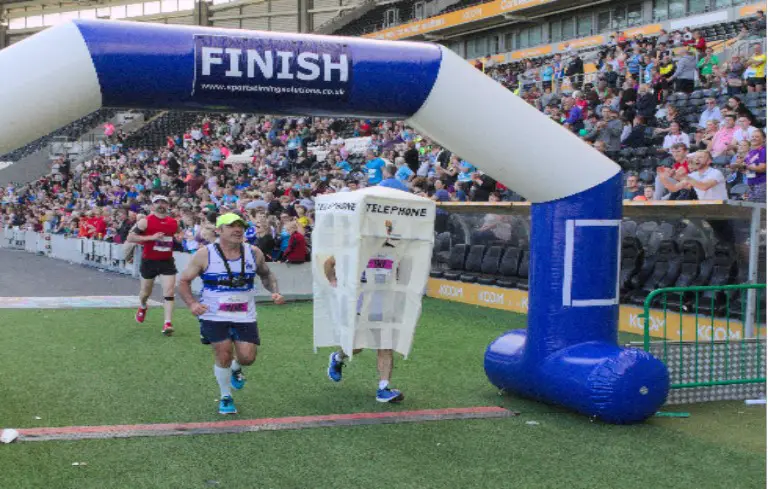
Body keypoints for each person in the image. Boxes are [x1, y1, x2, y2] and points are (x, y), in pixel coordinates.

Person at [178, 213, 285, 415]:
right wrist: (192, 304)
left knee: (247, 358)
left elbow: (266, 274)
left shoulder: (253, 252)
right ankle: (226, 396)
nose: (238, 230)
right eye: (231, 226)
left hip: (244, 314)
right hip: (213, 314)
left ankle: (236, 368)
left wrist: (275, 291)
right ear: (219, 230)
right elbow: (183, 281)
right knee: (223, 353)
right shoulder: (204, 254)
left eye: (240, 226)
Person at [323, 221, 405, 404]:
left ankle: (383, 389)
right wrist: (333, 282)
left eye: (388, 230)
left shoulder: (394, 250)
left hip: (384, 306)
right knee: (357, 346)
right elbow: (329, 263)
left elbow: (397, 273)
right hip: (360, 306)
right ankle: (337, 357)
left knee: (385, 346)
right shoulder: (355, 248)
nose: (385, 233)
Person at [127, 194, 179, 336]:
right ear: (152, 206)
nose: (161, 205)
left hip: (167, 261)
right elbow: (130, 237)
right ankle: (143, 306)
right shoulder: (145, 221)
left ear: (168, 206)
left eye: (164, 202)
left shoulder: (173, 222)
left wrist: (180, 238)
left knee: (169, 292)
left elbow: (177, 235)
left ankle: (167, 323)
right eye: (157, 202)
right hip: (149, 261)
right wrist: (151, 237)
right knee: (145, 293)